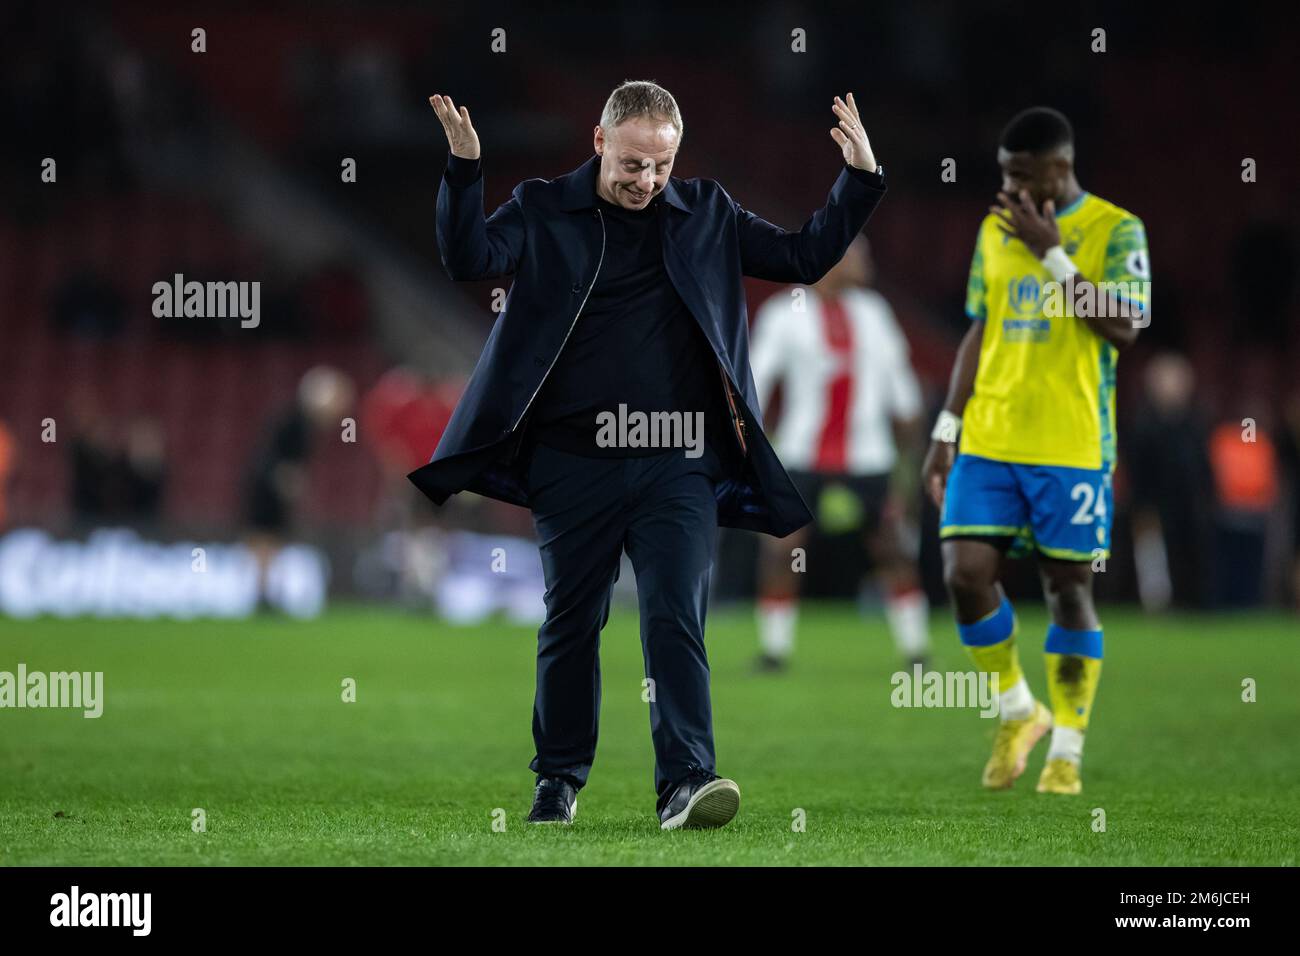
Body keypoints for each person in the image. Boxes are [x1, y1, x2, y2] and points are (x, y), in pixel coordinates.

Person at [411, 81, 886, 828]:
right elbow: (469, 258)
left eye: (660, 166)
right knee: (572, 620)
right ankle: (558, 780)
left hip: (679, 460)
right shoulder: (542, 207)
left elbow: (800, 257)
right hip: (573, 459)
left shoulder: (709, 213)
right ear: (600, 142)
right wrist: (465, 168)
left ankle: (686, 782)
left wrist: (858, 182)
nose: (647, 181)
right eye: (633, 164)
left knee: (676, 616)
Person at [921, 107, 1149, 796]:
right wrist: (944, 429)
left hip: (1071, 444)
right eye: (1004, 174)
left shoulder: (1115, 228)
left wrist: (1052, 251)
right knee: (963, 572)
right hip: (990, 437)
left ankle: (1067, 753)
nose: (1012, 187)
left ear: (1060, 166)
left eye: (1023, 174)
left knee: (1067, 590)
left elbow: (1126, 326)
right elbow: (980, 329)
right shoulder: (996, 228)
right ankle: (1020, 711)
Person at [749, 235, 931, 671]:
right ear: (829, 259)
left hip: (868, 456)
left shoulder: (875, 313)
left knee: (891, 548)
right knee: (783, 549)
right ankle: (774, 652)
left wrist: (912, 453)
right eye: (856, 256)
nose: (865, 264)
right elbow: (753, 380)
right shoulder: (784, 312)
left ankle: (917, 651)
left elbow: (901, 389)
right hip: (800, 453)